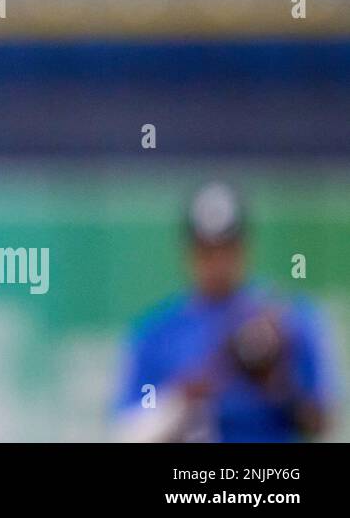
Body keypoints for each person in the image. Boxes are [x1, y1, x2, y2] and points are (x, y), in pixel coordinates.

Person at [114, 182, 337, 442]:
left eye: (227, 249)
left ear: (245, 247)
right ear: (188, 251)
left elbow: (323, 422)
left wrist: (281, 385)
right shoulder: (158, 336)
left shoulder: (288, 320)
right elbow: (127, 435)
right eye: (207, 250)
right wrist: (191, 393)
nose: (218, 263)